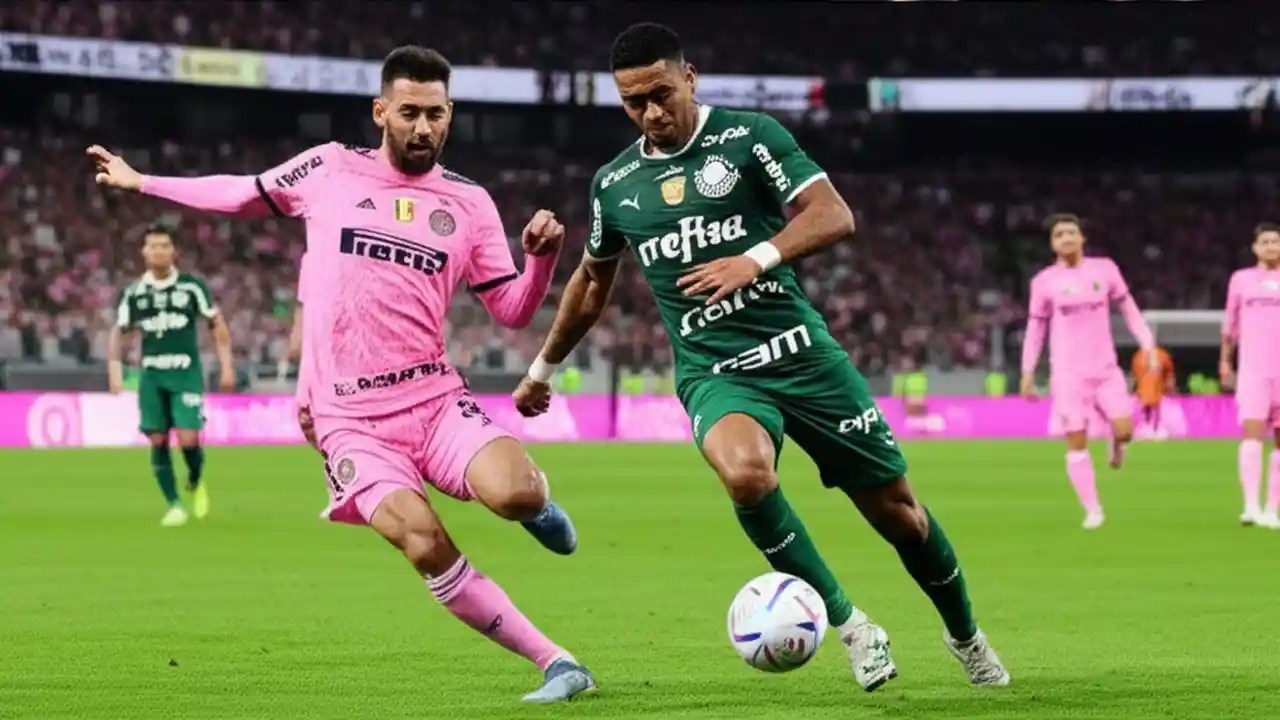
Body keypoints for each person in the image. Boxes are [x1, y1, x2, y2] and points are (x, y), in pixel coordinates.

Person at [88, 46, 594, 703]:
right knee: (423, 542)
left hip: (434, 401)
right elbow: (242, 193)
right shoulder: (327, 168)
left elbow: (513, 311)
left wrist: (542, 262)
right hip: (351, 421)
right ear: (380, 111)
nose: (422, 127)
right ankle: (557, 662)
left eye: (435, 114)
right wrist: (143, 182)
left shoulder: (469, 203)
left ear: (450, 115)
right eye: (408, 112)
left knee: (515, 494)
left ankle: (537, 506)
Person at [513, 22, 1009, 689]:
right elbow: (592, 283)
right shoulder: (616, 183)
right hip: (715, 371)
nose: (652, 112)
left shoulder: (750, 137)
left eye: (661, 94)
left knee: (901, 515)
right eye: (634, 102)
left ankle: (966, 636)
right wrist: (541, 370)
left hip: (802, 355)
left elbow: (833, 214)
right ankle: (852, 627)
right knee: (746, 476)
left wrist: (755, 258)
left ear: (689, 78)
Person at [1020, 213, 1157, 530]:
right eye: (1059, 235)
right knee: (1076, 439)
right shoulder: (1043, 282)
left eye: (1071, 232)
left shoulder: (1105, 270)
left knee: (1125, 430)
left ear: (1082, 238)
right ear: (1053, 244)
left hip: (1105, 369)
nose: (1066, 238)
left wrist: (1148, 344)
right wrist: (1028, 371)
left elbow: (1129, 309)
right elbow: (1035, 329)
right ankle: (1093, 510)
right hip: (1067, 373)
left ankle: (1117, 444)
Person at [109, 224, 234, 527]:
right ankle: (174, 504)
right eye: (153, 246)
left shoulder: (192, 287)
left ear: (174, 251)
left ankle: (196, 477)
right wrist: (114, 369)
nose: (159, 251)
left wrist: (227, 366)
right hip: (152, 375)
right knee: (157, 437)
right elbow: (119, 331)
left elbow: (216, 324)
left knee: (189, 437)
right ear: (144, 252)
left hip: (185, 372)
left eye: (164, 245)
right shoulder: (134, 293)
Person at [1220, 222, 1280, 529]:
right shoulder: (1241, 279)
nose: (1271, 246)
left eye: (1275, 241)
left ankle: (1272, 509)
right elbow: (1229, 324)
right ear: (1255, 248)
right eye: (1265, 242)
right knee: (1252, 435)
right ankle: (1250, 506)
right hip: (1254, 370)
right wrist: (1225, 361)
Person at [1131, 345, 1175, 439]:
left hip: (1151, 395)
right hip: (1148, 395)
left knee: (1152, 409)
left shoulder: (1140, 356)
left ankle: (1152, 429)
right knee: (1150, 408)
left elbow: (1135, 377)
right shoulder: (1140, 356)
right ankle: (1150, 429)